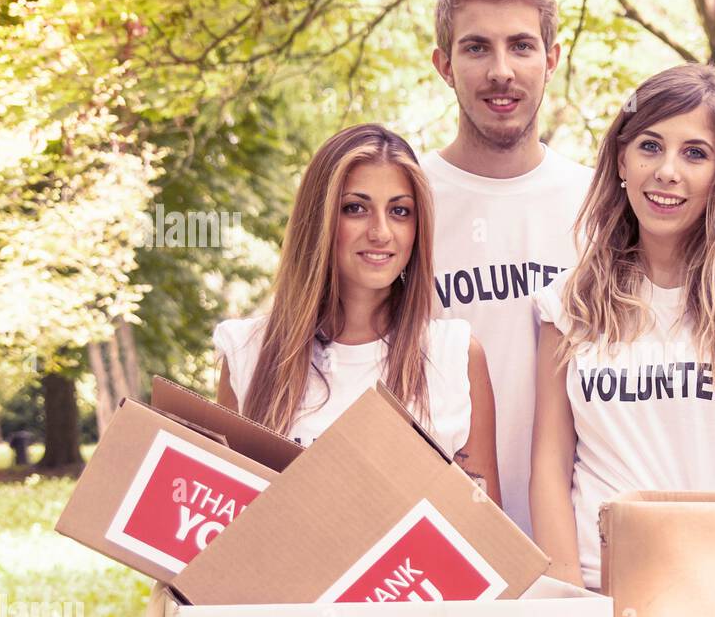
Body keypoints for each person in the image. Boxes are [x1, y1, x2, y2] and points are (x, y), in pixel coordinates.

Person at [530, 64, 715, 589]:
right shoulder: (569, 301)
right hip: (596, 589)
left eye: (695, 153)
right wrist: (565, 597)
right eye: (650, 146)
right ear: (621, 158)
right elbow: (550, 466)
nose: (667, 171)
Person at [214, 123, 501, 504]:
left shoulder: (455, 355)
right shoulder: (247, 351)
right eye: (356, 208)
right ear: (320, 220)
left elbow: (484, 537)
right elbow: (220, 517)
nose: (381, 232)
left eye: (400, 211)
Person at [424, 0, 594, 536]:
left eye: (521, 46)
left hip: (580, 543)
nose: (501, 71)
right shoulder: (402, 204)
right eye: (476, 48)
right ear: (444, 65)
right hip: (445, 536)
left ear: (551, 59)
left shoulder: (604, 205)